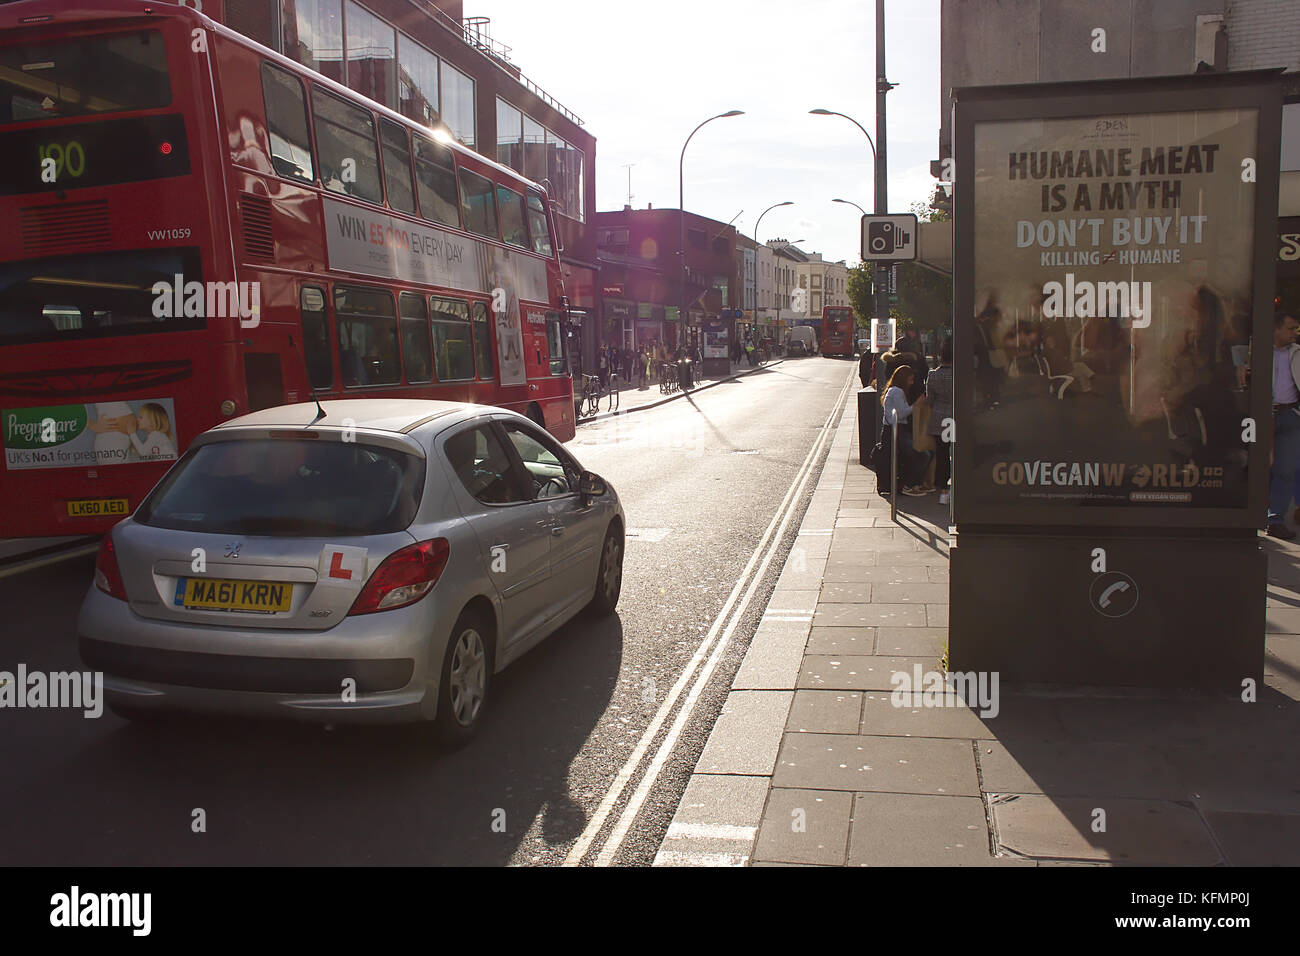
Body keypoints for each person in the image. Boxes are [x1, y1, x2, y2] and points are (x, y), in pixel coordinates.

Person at [1268, 310, 1300, 539]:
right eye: (1290, 328)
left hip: (1290, 415)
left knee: (1285, 470)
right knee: (1260, 468)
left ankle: (1275, 520)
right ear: (1276, 329)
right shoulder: (1255, 350)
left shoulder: (1297, 353)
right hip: (1262, 416)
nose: (1294, 333)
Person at [879, 365, 933, 497]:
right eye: (910, 379)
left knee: (915, 455)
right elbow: (901, 413)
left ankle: (912, 484)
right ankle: (910, 484)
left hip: (894, 430)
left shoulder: (892, 390)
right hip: (896, 430)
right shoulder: (897, 391)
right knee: (922, 454)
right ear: (903, 379)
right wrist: (917, 404)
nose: (912, 382)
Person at [926, 341, 954, 505]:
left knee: (942, 454)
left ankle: (943, 487)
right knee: (957, 452)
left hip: (939, 419)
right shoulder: (960, 374)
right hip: (956, 417)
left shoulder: (933, 375)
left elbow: (930, 400)